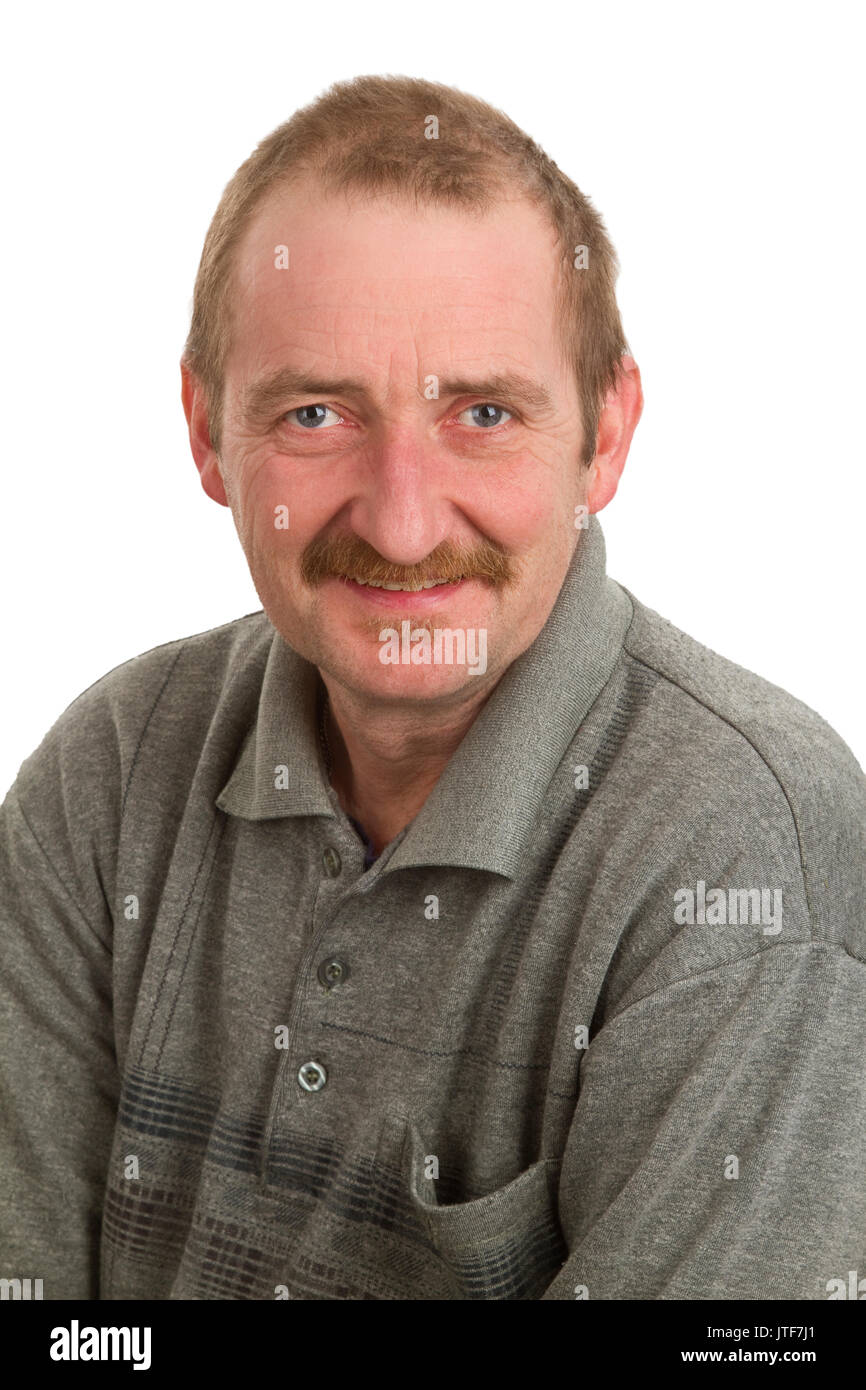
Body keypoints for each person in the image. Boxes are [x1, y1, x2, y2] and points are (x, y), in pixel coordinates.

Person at [1, 74, 864, 1302]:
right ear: (204, 432)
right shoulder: (111, 770)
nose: (402, 525)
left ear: (604, 435)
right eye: (315, 412)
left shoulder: (743, 853)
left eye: (480, 412)